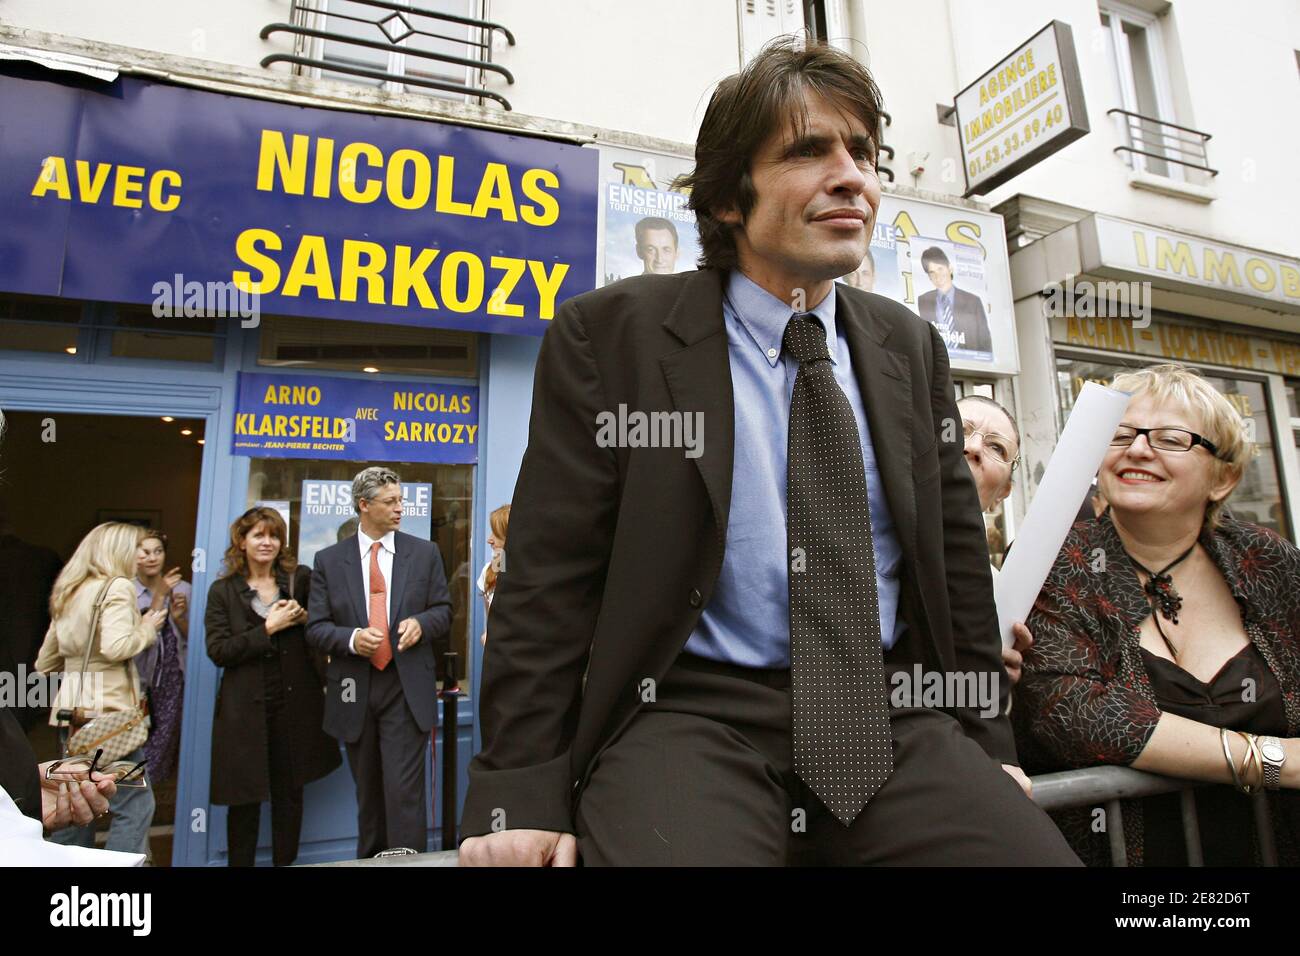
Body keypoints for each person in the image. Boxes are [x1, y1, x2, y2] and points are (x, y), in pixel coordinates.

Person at [459, 38, 1078, 867]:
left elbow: (957, 562)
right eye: (808, 150)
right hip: (685, 719)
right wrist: (518, 796)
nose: (852, 174)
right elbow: (548, 582)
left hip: (889, 719)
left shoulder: (911, 346)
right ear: (726, 197)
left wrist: (987, 738)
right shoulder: (612, 337)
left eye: (864, 152)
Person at [1015, 363, 1300, 865]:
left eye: (1170, 438)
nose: (1138, 449)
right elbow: (1073, 713)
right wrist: (1272, 761)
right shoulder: (1055, 560)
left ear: (1223, 476)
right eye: (1119, 433)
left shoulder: (1266, 559)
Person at [306, 467, 452, 857]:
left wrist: (421, 624)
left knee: (403, 796)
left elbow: (444, 611)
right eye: (391, 502)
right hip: (353, 691)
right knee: (369, 797)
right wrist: (353, 639)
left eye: (401, 500)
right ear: (363, 505)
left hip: (405, 689)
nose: (400, 509)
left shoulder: (424, 553)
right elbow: (316, 628)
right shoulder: (329, 561)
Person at [205, 507, 340, 866]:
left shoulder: (300, 580)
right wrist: (267, 628)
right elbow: (218, 650)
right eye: (258, 535)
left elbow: (328, 627)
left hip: (293, 709)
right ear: (242, 541)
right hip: (244, 713)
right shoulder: (223, 591)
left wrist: (305, 616)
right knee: (243, 802)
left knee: (289, 798)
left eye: (274, 536)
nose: (267, 542)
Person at [37, 522, 166, 855]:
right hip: (108, 716)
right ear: (119, 550)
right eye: (136, 548)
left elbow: (45, 663)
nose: (141, 556)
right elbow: (117, 646)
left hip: (72, 713)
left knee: (75, 806)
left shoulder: (70, 590)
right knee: (136, 806)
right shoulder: (117, 587)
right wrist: (147, 627)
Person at [956, 395, 1033, 686]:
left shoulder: (1001, 598)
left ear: (1002, 494)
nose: (972, 447)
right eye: (957, 430)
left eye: (996, 447)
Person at [133, 531, 189, 787]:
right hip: (137, 676)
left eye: (158, 551)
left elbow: (195, 638)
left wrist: (179, 618)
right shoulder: (126, 591)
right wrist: (159, 596)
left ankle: (145, 791)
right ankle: (128, 793)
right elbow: (133, 637)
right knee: (134, 736)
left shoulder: (184, 589)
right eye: (144, 551)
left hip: (172, 675)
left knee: (164, 736)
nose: (152, 557)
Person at [916, 246, 992, 354]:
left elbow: (985, 342)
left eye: (940, 269)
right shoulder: (923, 300)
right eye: (932, 272)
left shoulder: (973, 301)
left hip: (971, 365)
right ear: (929, 277)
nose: (937, 276)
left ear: (950, 268)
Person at [477, 504, 510, 646]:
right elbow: (491, 620)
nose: (489, 540)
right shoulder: (489, 571)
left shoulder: (533, 573)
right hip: (498, 657)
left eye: (496, 534)